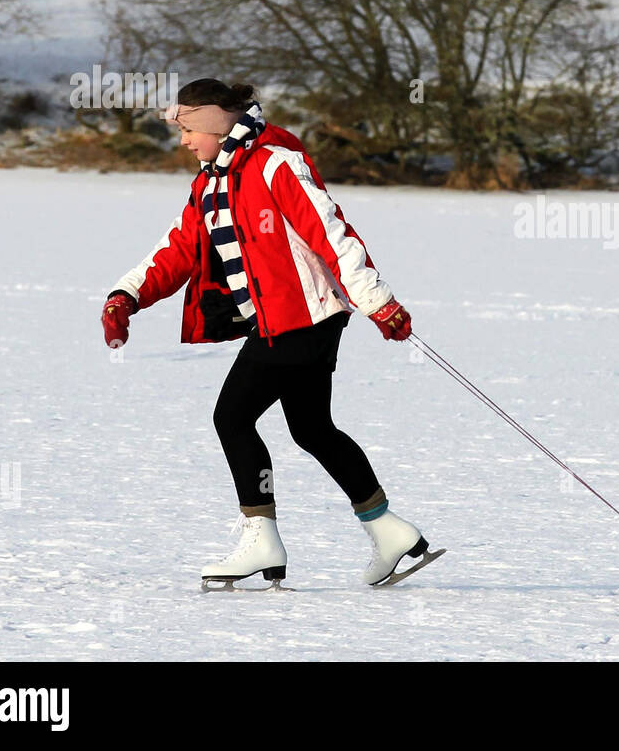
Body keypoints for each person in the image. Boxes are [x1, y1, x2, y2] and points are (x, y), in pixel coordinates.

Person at [100, 78, 433, 588]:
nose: (185, 140)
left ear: (216, 124)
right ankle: (388, 529)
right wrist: (126, 296)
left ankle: (262, 538)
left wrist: (379, 303)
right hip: (289, 324)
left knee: (232, 418)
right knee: (312, 428)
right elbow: (177, 250)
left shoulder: (276, 164)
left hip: (302, 320)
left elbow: (333, 234)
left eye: (189, 129)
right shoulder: (212, 183)